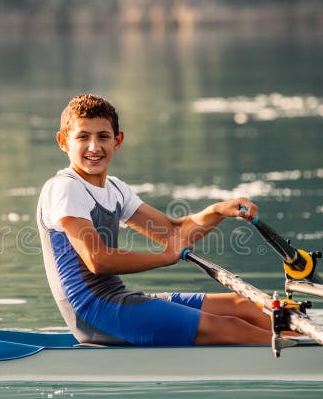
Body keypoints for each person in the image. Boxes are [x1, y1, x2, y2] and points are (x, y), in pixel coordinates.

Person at [37, 93, 273, 346]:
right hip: (94, 315)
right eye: (83, 137)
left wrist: (218, 211)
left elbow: (174, 233)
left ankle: (305, 346)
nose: (94, 147)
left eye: (103, 136)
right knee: (231, 326)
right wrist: (164, 258)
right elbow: (98, 260)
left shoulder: (115, 188)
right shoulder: (65, 188)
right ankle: (302, 358)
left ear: (118, 141)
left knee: (247, 307)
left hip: (118, 299)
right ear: (64, 141)